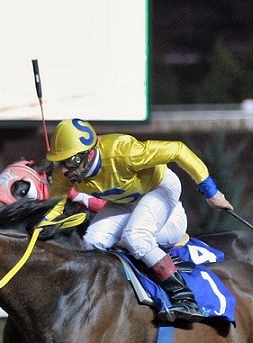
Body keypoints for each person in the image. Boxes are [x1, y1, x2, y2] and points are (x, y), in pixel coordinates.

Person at [44, 118, 233, 323]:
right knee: (91, 241)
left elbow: (178, 150)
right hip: (126, 201)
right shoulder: (65, 175)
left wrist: (210, 192)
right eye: (60, 162)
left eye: (71, 161)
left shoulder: (124, 152)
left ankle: (185, 297)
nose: (63, 170)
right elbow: (52, 210)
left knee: (135, 237)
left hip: (159, 189)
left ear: (89, 153)